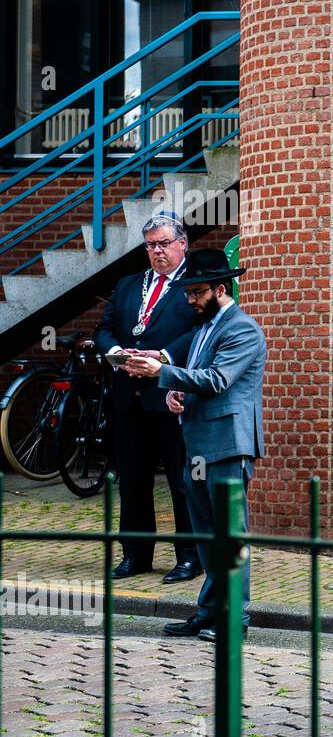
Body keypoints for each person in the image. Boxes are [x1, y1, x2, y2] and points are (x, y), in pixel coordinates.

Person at [123, 248, 265, 642]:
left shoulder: (242, 328)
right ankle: (208, 612)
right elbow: (198, 379)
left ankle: (234, 620)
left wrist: (162, 373)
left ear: (221, 289)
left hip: (228, 446)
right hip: (199, 442)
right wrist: (176, 395)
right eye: (187, 292)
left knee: (229, 536)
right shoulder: (206, 326)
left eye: (197, 293)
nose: (189, 300)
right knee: (205, 533)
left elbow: (218, 379)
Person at [93, 212, 201, 582]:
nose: (157, 251)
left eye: (164, 244)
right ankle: (136, 554)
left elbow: (203, 331)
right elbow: (104, 327)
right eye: (151, 245)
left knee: (181, 481)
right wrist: (117, 352)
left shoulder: (198, 282)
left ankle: (189, 556)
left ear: (182, 244)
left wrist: (164, 357)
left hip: (171, 396)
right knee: (133, 481)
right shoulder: (128, 284)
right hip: (130, 397)